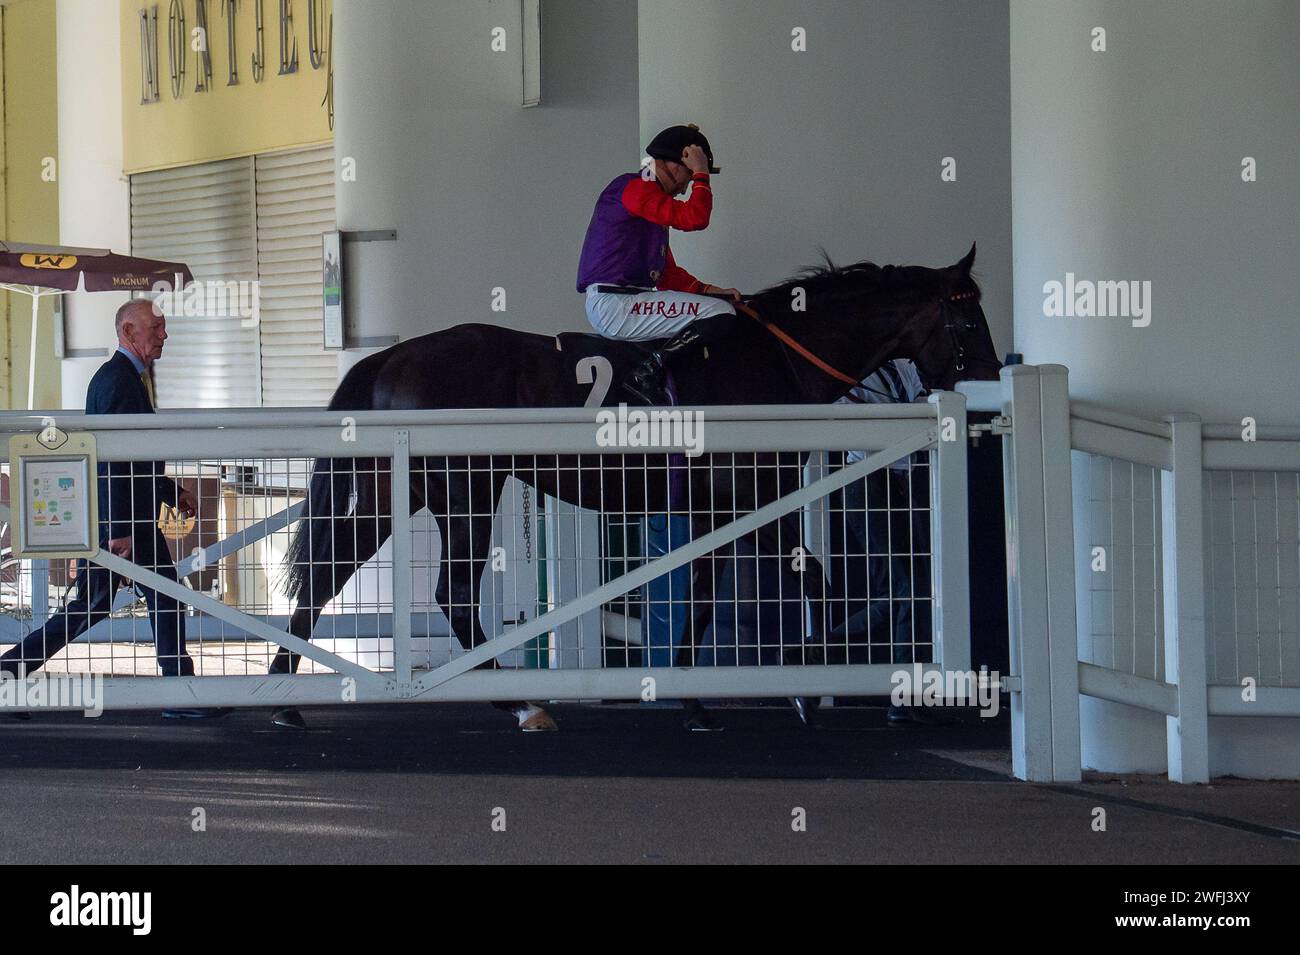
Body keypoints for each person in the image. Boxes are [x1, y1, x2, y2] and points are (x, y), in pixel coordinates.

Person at [1, 299, 219, 719]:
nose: (164, 335)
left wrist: (171, 493)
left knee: (140, 600)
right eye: (156, 328)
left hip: (127, 520)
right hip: (123, 524)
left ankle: (178, 691)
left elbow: (130, 457)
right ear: (129, 333)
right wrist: (121, 529)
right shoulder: (121, 381)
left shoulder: (122, 378)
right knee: (114, 603)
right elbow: (114, 463)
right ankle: (178, 693)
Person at [577, 123, 742, 405]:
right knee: (721, 315)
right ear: (676, 165)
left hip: (626, 301)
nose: (689, 184)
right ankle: (648, 372)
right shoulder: (636, 187)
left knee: (718, 306)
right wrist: (703, 173)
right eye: (689, 174)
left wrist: (707, 290)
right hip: (616, 305)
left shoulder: (647, 197)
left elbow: (666, 274)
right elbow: (695, 218)